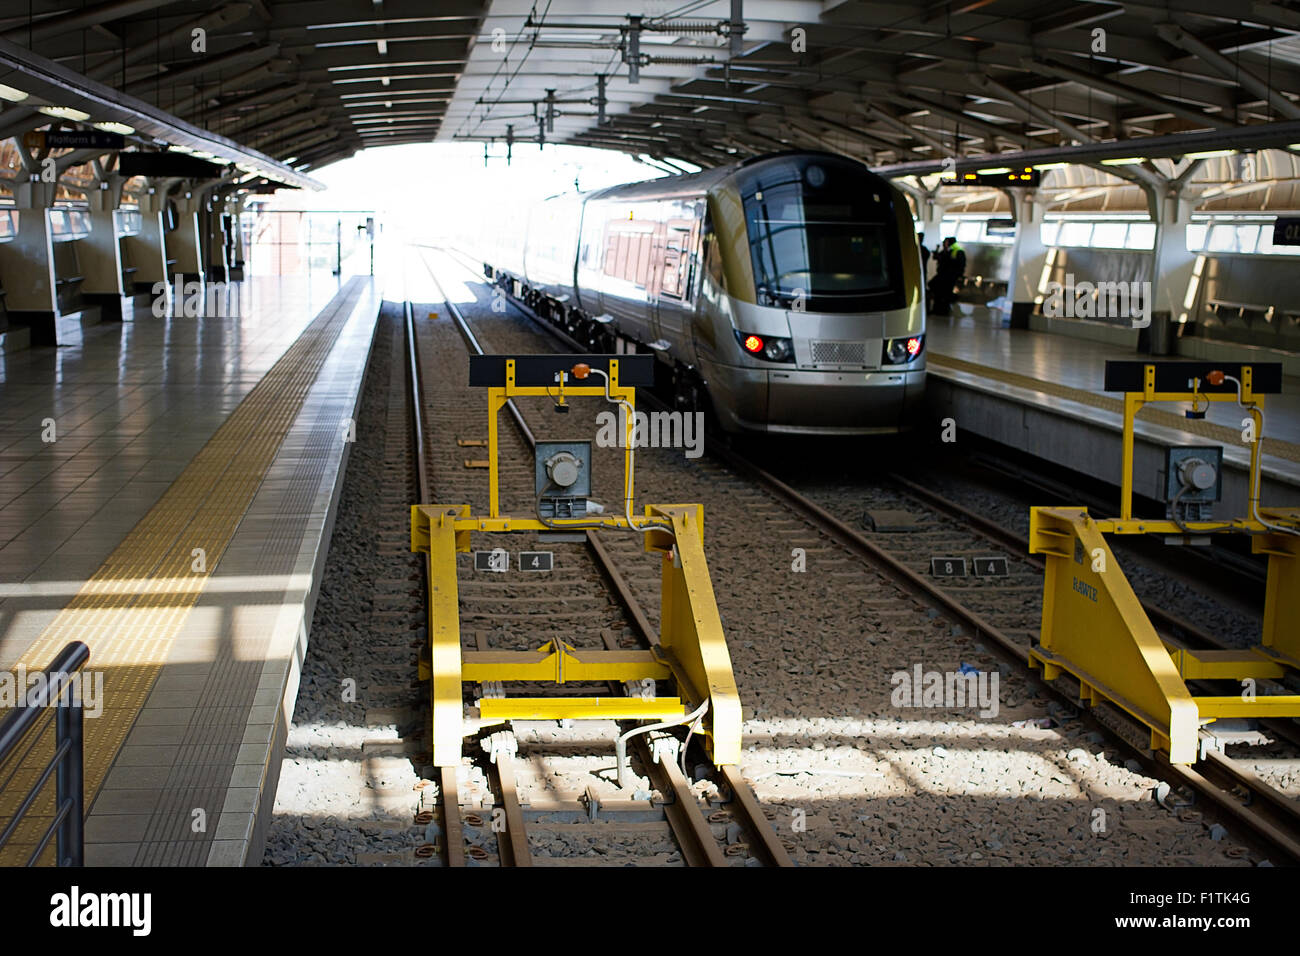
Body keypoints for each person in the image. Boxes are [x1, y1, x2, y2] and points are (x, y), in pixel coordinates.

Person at [929, 237, 966, 316]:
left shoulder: (956, 251)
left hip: (949, 277)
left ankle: (944, 310)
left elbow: (956, 264)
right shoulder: (948, 251)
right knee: (937, 290)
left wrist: (958, 276)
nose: (943, 244)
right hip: (943, 276)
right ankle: (938, 310)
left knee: (945, 293)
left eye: (945, 242)